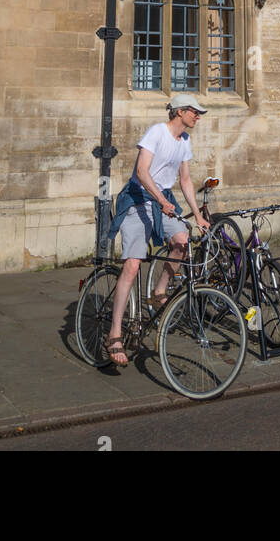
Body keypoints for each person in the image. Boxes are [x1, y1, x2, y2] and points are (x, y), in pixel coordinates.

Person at [104, 96, 210, 367]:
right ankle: (114, 332)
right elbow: (141, 172)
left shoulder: (185, 141)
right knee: (133, 264)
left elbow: (185, 180)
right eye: (194, 112)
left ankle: (158, 291)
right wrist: (161, 200)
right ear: (180, 112)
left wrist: (197, 214)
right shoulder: (157, 132)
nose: (198, 116)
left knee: (183, 242)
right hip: (138, 199)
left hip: (163, 200)